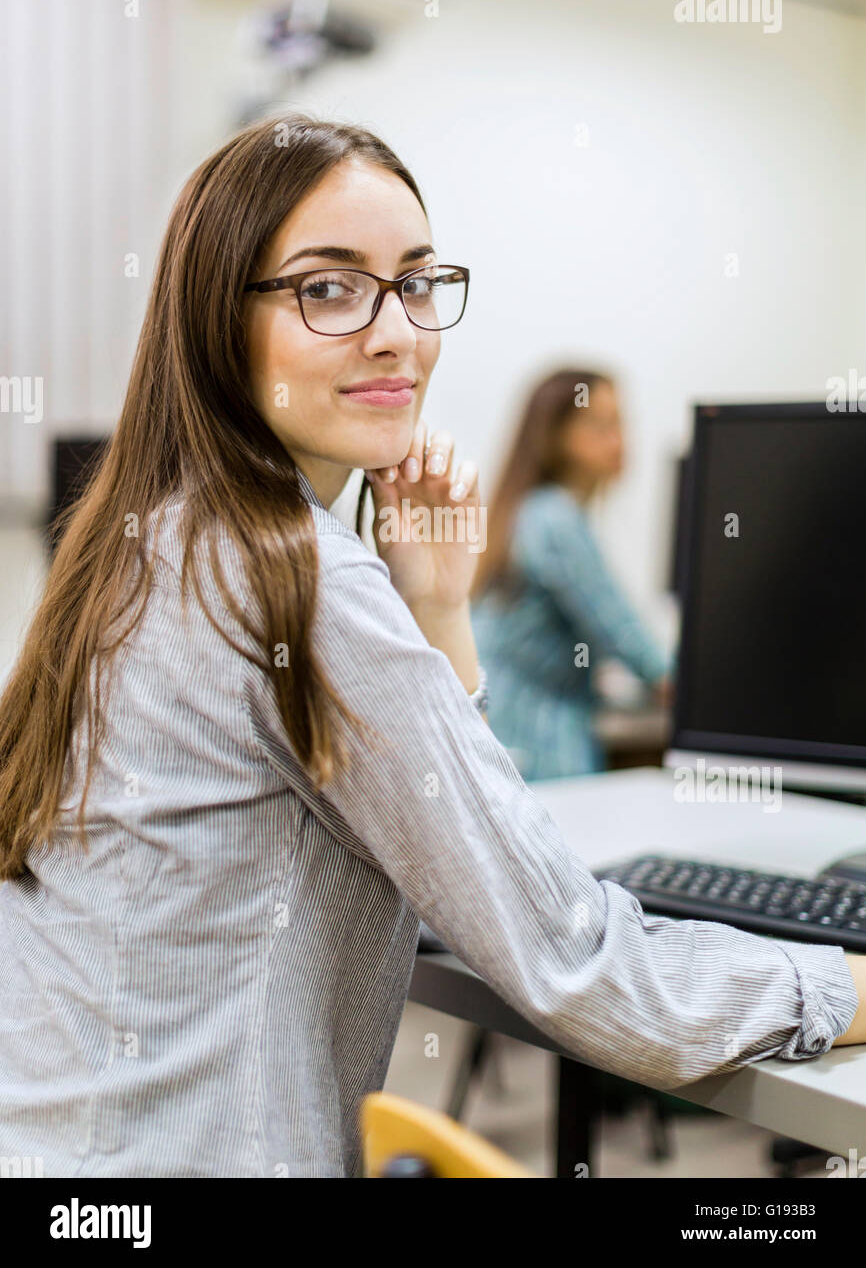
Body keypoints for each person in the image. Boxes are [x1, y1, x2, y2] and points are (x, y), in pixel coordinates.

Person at [0, 113, 864, 1180]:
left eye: (414, 281)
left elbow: (459, 849)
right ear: (216, 322)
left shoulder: (147, 536)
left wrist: (437, 607)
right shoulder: (290, 576)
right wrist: (841, 986)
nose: (394, 331)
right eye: (327, 287)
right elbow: (581, 964)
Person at [471, 369, 670, 780]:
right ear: (555, 434)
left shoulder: (525, 513)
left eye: (621, 424)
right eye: (601, 425)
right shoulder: (553, 518)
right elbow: (622, 633)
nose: (620, 441)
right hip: (543, 750)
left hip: (504, 740)